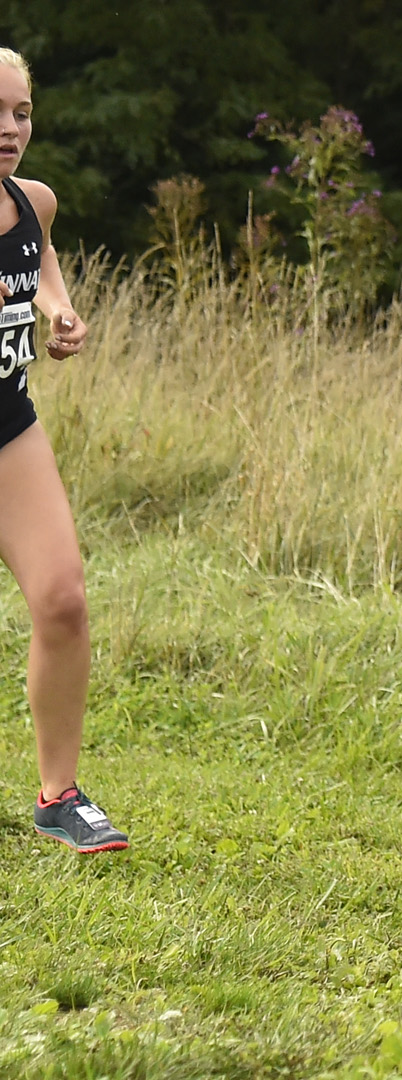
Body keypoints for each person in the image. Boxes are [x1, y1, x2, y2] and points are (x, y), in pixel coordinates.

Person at [0, 48, 125, 853]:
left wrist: (60, 307)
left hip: (7, 424)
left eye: (20, 114)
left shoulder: (32, 200)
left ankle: (58, 796)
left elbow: (36, 252)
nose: (9, 131)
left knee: (63, 600)